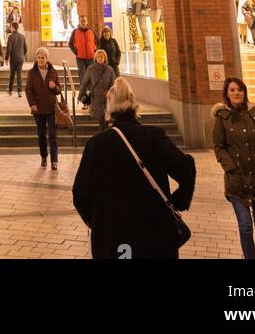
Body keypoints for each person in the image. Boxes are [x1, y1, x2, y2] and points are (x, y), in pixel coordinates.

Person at [72, 77, 196, 260]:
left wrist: (98, 221)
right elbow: (186, 167)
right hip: (155, 232)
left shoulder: (96, 145)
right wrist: (176, 201)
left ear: (109, 108)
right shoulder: (154, 137)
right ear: (134, 105)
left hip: (115, 238)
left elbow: (80, 193)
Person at [212, 76, 255, 260]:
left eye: (239, 89)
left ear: (244, 92)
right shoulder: (222, 118)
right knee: (246, 226)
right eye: (232, 90)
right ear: (227, 93)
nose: (236, 93)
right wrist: (230, 168)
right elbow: (219, 146)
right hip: (236, 182)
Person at [25, 47, 61, 170]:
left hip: (51, 108)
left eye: (43, 58)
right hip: (38, 109)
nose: (40, 60)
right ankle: (44, 157)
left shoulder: (53, 71)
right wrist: (32, 104)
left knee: (52, 135)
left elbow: (58, 90)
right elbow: (28, 90)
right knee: (41, 135)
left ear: (47, 59)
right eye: (38, 57)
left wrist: (54, 86)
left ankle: (54, 160)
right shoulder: (32, 72)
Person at [78, 49, 116, 129]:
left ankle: (103, 137)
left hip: (107, 98)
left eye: (102, 57)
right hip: (96, 99)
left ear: (105, 58)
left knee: (106, 120)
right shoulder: (90, 69)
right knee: (101, 120)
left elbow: (114, 85)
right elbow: (85, 83)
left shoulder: (110, 70)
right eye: (98, 57)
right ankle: (103, 138)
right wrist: (80, 96)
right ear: (95, 58)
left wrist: (113, 96)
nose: (100, 59)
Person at [69, 15, 97, 85]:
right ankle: (84, 93)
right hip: (80, 58)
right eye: (81, 21)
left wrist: (95, 51)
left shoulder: (92, 31)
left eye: (84, 21)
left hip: (91, 58)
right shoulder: (75, 32)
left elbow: (98, 43)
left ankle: (91, 93)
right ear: (79, 22)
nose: (83, 22)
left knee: (91, 75)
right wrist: (76, 52)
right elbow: (70, 44)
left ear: (87, 22)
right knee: (83, 76)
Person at [5, 22, 27, 97]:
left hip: (14, 58)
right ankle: (20, 91)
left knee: (12, 74)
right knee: (19, 74)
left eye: (11, 27)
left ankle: (10, 90)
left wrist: (6, 59)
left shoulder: (11, 37)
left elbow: (9, 49)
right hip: (21, 58)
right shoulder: (22, 36)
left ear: (13, 27)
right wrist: (23, 55)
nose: (10, 28)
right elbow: (26, 48)